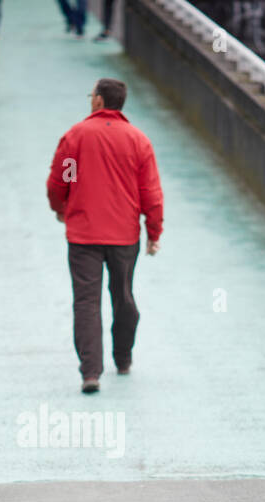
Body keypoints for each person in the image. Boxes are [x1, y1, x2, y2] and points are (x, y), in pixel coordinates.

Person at [46, 78, 164, 393]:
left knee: (86, 301)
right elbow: (150, 191)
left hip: (84, 235)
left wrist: (62, 207)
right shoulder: (138, 141)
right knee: (123, 295)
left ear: (98, 100)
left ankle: (90, 373)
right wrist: (153, 231)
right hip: (124, 235)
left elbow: (63, 177)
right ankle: (123, 357)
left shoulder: (76, 138)